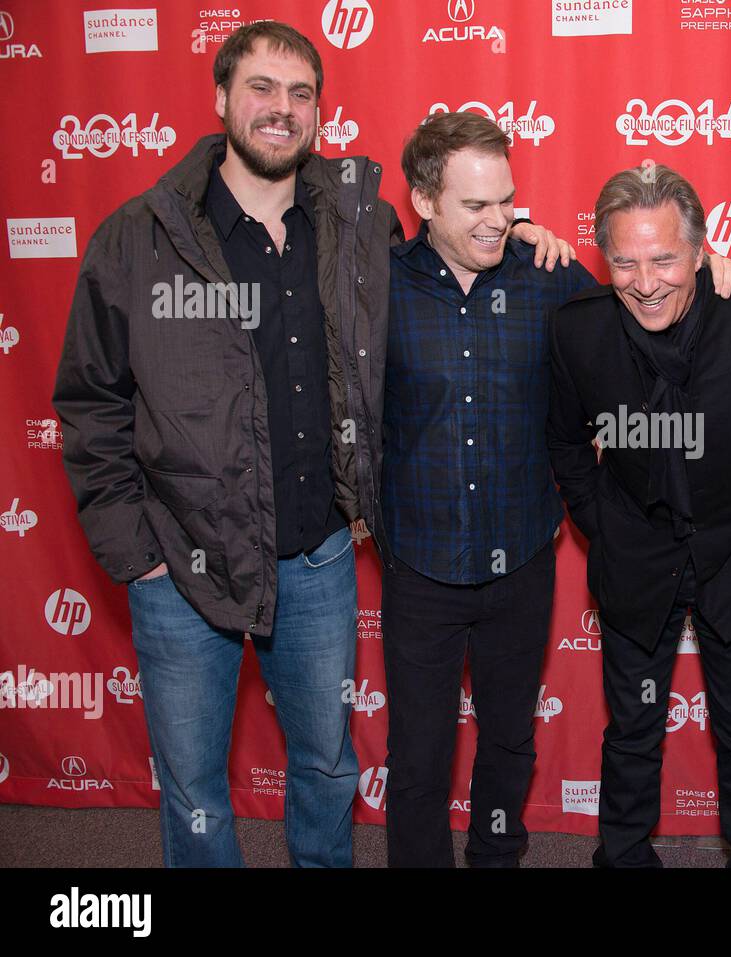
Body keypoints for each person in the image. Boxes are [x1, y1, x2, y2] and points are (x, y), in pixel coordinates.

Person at [51, 22, 569, 867]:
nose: (280, 110)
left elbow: (455, 251)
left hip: (318, 558)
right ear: (220, 99)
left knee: (327, 766)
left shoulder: (357, 217)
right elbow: (90, 401)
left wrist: (518, 229)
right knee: (192, 787)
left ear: (319, 112)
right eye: (260, 88)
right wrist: (136, 549)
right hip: (184, 563)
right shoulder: (136, 238)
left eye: (300, 95)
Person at [381, 120, 731, 867]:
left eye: (507, 201)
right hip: (418, 562)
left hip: (521, 557)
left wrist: (716, 274)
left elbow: (647, 310)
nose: (499, 220)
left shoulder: (548, 276)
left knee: (510, 736)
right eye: (475, 205)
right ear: (424, 200)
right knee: (419, 753)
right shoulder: (379, 287)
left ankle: (496, 857)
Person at [548, 164, 731, 867]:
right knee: (633, 728)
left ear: (702, 251)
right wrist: (604, 527)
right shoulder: (578, 331)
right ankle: (621, 856)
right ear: (604, 258)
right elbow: (561, 441)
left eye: (665, 259)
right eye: (625, 261)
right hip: (634, 556)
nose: (646, 282)